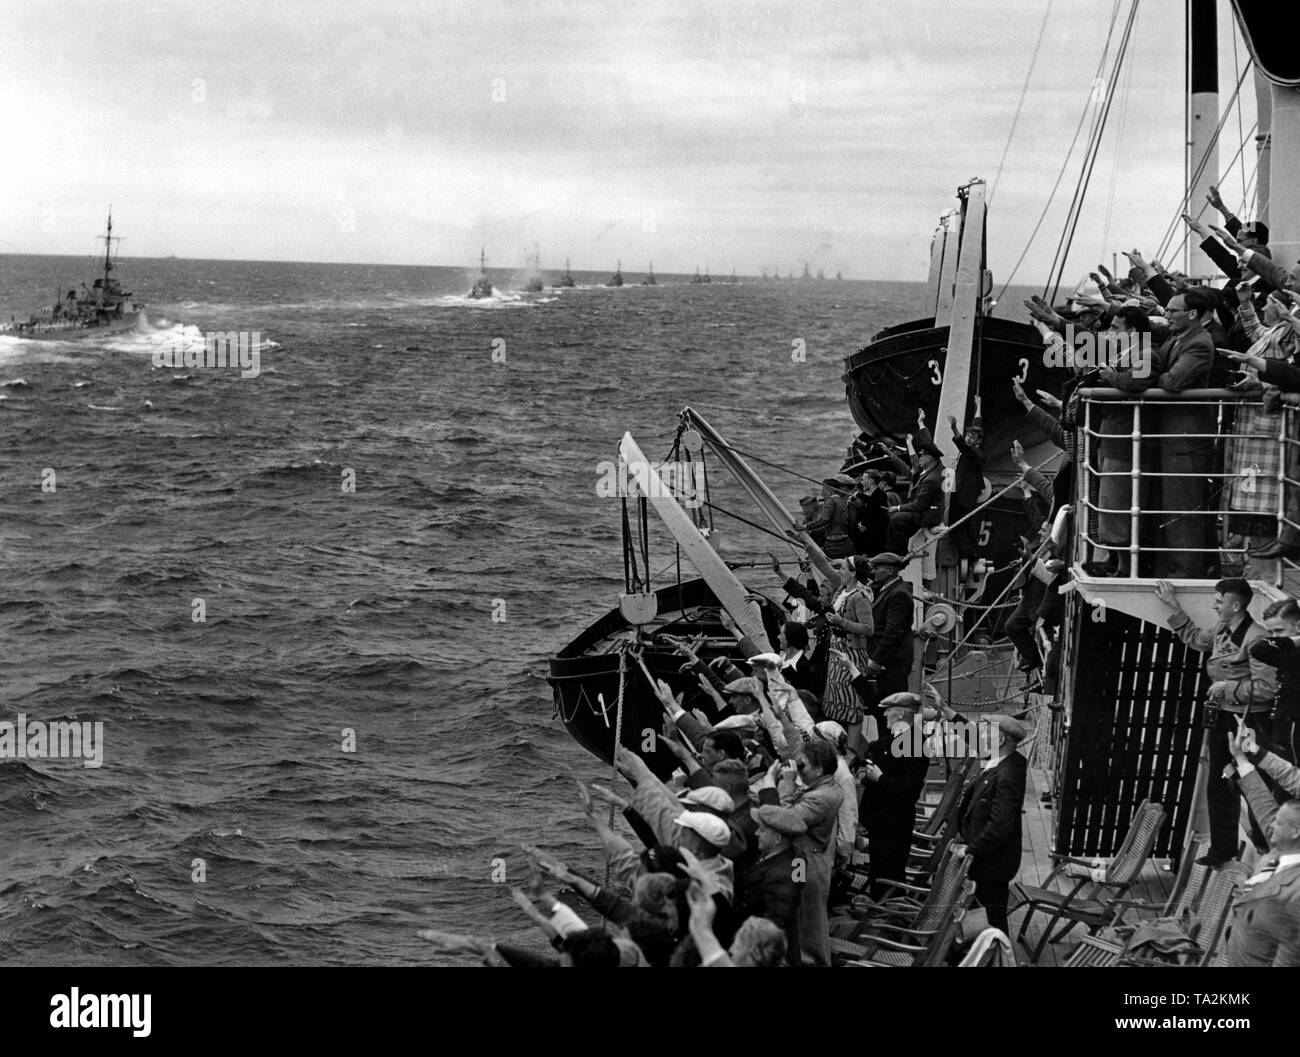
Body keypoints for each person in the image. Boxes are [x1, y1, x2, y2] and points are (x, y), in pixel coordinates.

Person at [1156, 578, 1277, 865]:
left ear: (1235, 605)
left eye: (1219, 601)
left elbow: (1266, 689)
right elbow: (1197, 640)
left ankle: (1267, 844)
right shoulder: (1224, 629)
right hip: (1225, 717)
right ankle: (1223, 847)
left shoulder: (1256, 638)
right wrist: (1173, 605)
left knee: (1252, 781)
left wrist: (1228, 688)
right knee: (1218, 783)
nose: (1214, 605)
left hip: (1250, 721)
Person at [1103, 287, 1217, 576]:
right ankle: (1167, 568)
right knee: (1166, 509)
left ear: (1192, 314)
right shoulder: (1179, 337)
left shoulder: (1200, 343)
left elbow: (1172, 381)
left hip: (1185, 437)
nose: (1167, 315)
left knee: (1182, 510)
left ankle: (1185, 572)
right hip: (1169, 437)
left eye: (1172, 311)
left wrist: (1153, 376)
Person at [756, 739, 842, 966]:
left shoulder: (822, 797)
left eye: (802, 766)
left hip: (804, 864)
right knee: (807, 918)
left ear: (819, 768)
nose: (798, 770)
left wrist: (786, 783)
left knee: (803, 917)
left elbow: (784, 818)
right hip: (808, 858)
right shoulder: (823, 787)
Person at [1225, 727, 1300, 967]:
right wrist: (1245, 756)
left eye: (1280, 823)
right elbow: (1269, 801)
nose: (1274, 826)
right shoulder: (1284, 844)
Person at [954, 715, 1030, 934]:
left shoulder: (1007, 775)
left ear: (1000, 741)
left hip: (991, 863)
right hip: (988, 859)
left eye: (988, 732)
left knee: (992, 921)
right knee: (989, 918)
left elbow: (999, 826)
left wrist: (970, 849)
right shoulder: (1003, 762)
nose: (983, 737)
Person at [858, 691, 931, 899]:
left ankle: (887, 915)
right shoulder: (898, 737)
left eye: (888, 712)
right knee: (879, 869)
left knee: (888, 873)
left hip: (894, 822)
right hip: (882, 819)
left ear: (899, 715)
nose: (884, 716)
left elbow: (909, 792)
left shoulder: (915, 743)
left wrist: (879, 778)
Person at [734, 803, 806, 962]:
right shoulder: (796, 858)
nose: (756, 833)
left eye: (762, 829)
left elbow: (775, 923)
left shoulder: (783, 879)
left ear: (778, 838)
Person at [819, 557, 875, 756]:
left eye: (842, 568)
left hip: (851, 654)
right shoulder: (842, 591)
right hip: (838, 651)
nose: (839, 571)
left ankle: (852, 753)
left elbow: (868, 629)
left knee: (852, 703)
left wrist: (841, 621)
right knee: (837, 701)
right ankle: (844, 748)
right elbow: (824, 566)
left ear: (852, 573)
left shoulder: (859, 597)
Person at [1249, 598, 1300, 766]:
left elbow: (1259, 648)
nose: (1274, 638)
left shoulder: (1292, 651)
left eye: (1279, 631)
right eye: (1271, 633)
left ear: (1298, 626)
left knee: (1290, 777)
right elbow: (1258, 649)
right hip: (1284, 721)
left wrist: (1291, 641)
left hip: (1294, 722)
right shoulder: (1288, 650)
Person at [887, 439, 945, 553]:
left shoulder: (931, 480)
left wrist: (898, 508)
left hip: (928, 515)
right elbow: (907, 466)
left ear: (928, 459)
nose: (919, 459)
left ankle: (897, 551)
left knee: (896, 518)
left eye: (922, 457)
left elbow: (919, 505)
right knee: (897, 516)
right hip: (926, 511)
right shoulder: (930, 471)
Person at [799, 477, 856, 558]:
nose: (822, 494)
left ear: (831, 490)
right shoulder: (842, 501)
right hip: (846, 542)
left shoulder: (830, 501)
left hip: (834, 545)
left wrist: (805, 527)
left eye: (824, 491)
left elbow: (823, 519)